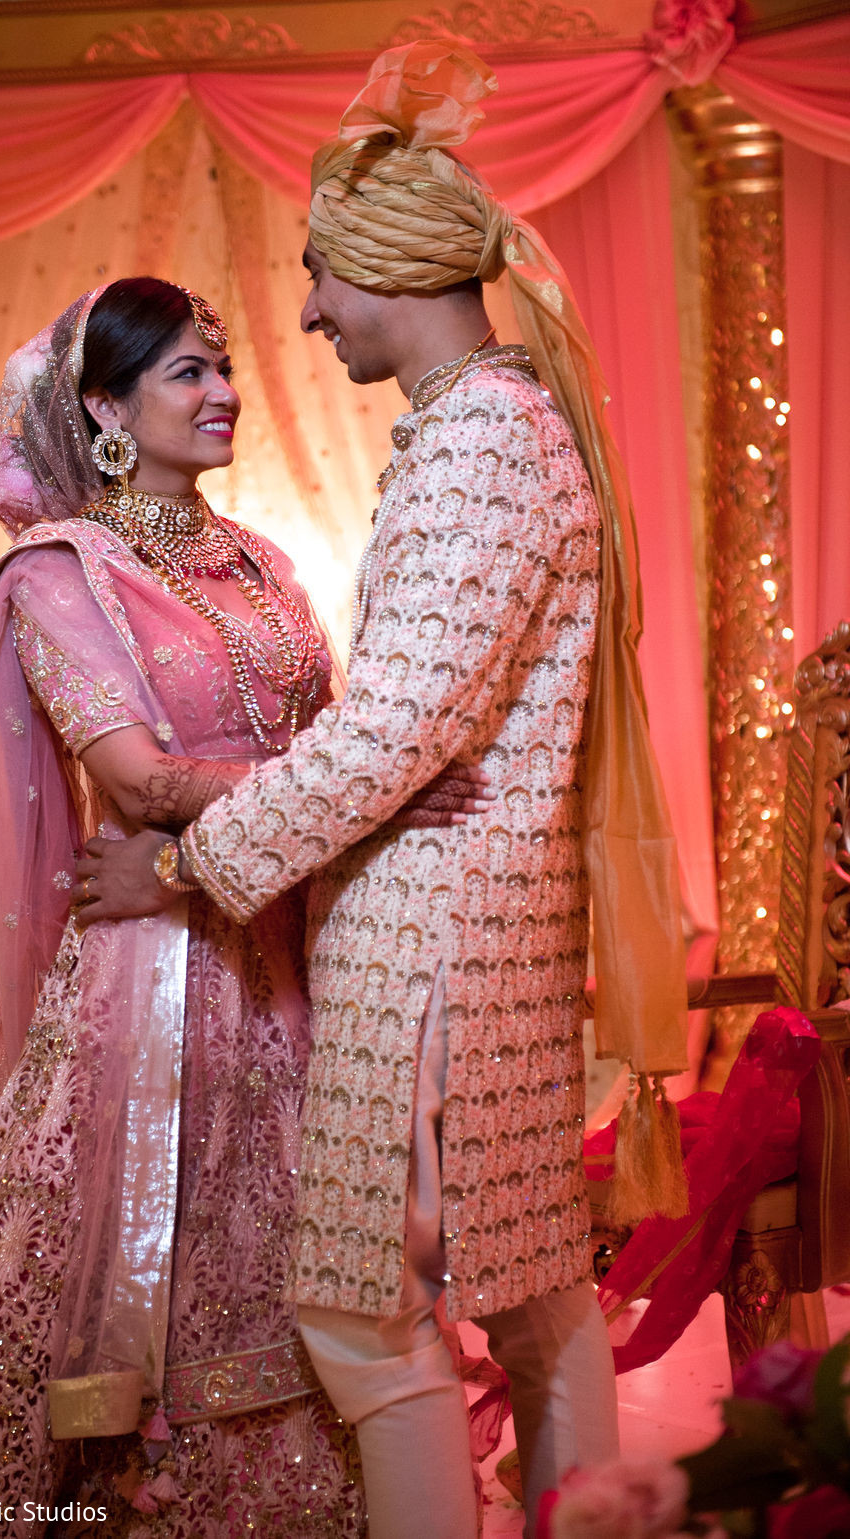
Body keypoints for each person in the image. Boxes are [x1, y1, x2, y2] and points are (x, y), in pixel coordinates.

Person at [75, 43, 691, 1539]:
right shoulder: (496, 424)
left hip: (431, 941)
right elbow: (416, 727)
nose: (302, 312)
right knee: (538, 1300)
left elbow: (394, 731)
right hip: (480, 927)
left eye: (316, 276)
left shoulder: (482, 438)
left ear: (389, 271)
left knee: (360, 1311)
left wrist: (183, 866)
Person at [0, 277, 488, 1539]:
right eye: (188, 371)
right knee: (149, 1269)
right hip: (162, 982)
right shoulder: (54, 577)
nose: (226, 390)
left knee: (343, 1272)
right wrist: (380, 794)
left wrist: (356, 788)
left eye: (223, 364)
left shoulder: (262, 560)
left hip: (296, 948)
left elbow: (326, 736)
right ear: (104, 409)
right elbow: (140, 779)